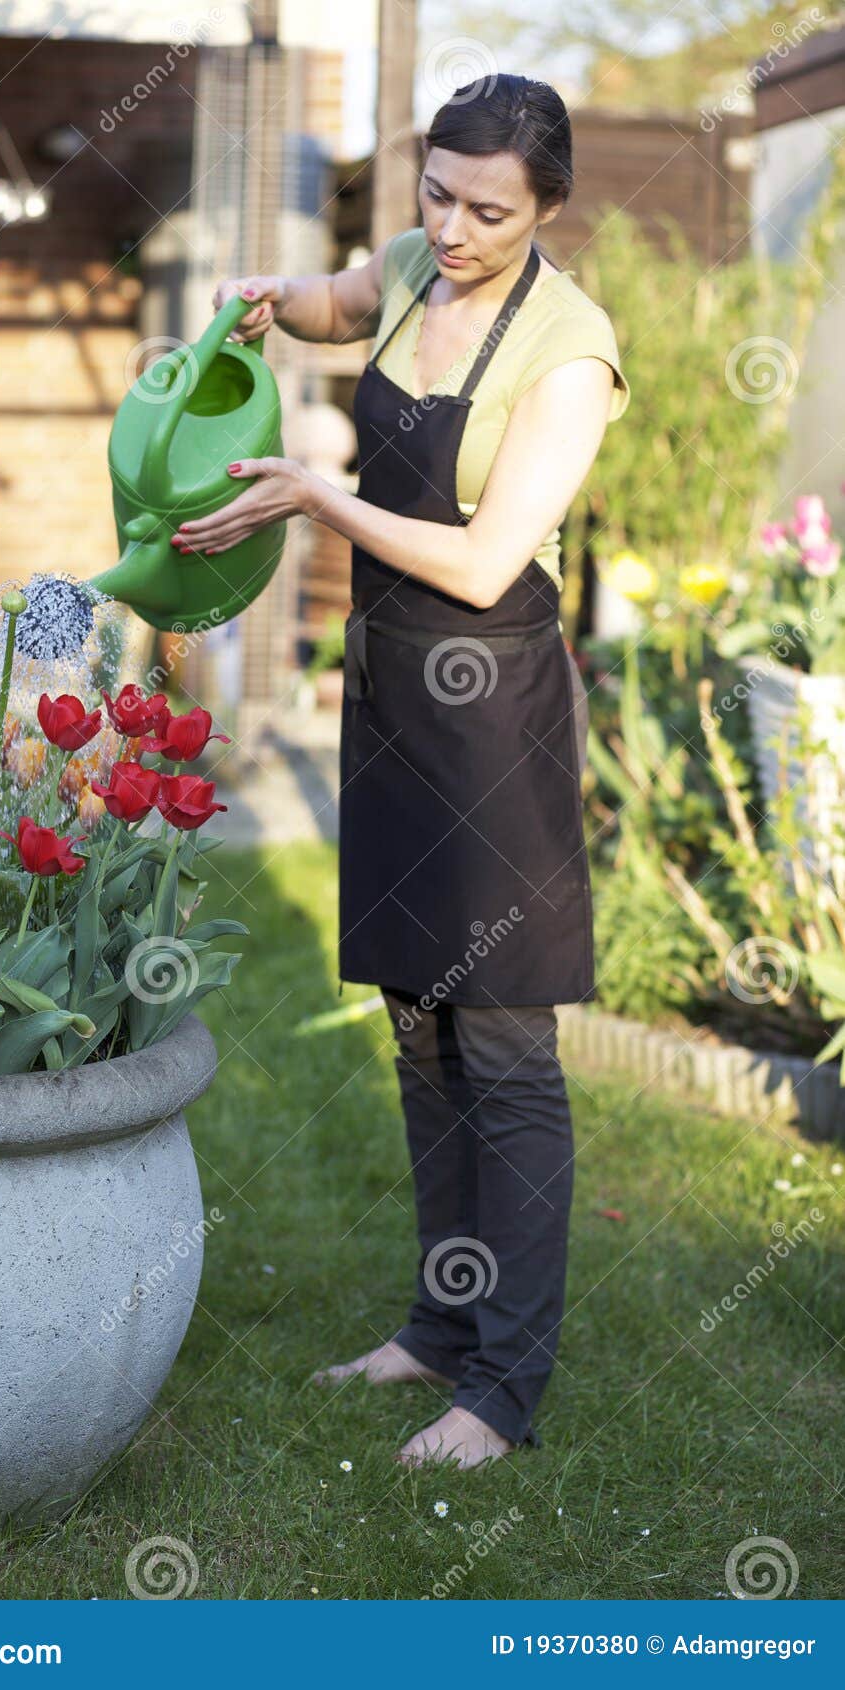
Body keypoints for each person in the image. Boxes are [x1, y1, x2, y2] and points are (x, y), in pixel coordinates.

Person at [177, 72, 630, 1469]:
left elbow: (490, 557)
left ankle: (505, 1384)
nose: (456, 228)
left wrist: (320, 494)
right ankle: (440, 1328)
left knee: (501, 1042)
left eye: (491, 209)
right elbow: (338, 296)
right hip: (391, 692)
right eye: (437, 193)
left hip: (489, 711)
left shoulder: (570, 349)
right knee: (419, 1024)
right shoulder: (409, 265)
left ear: (548, 208)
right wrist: (270, 288)